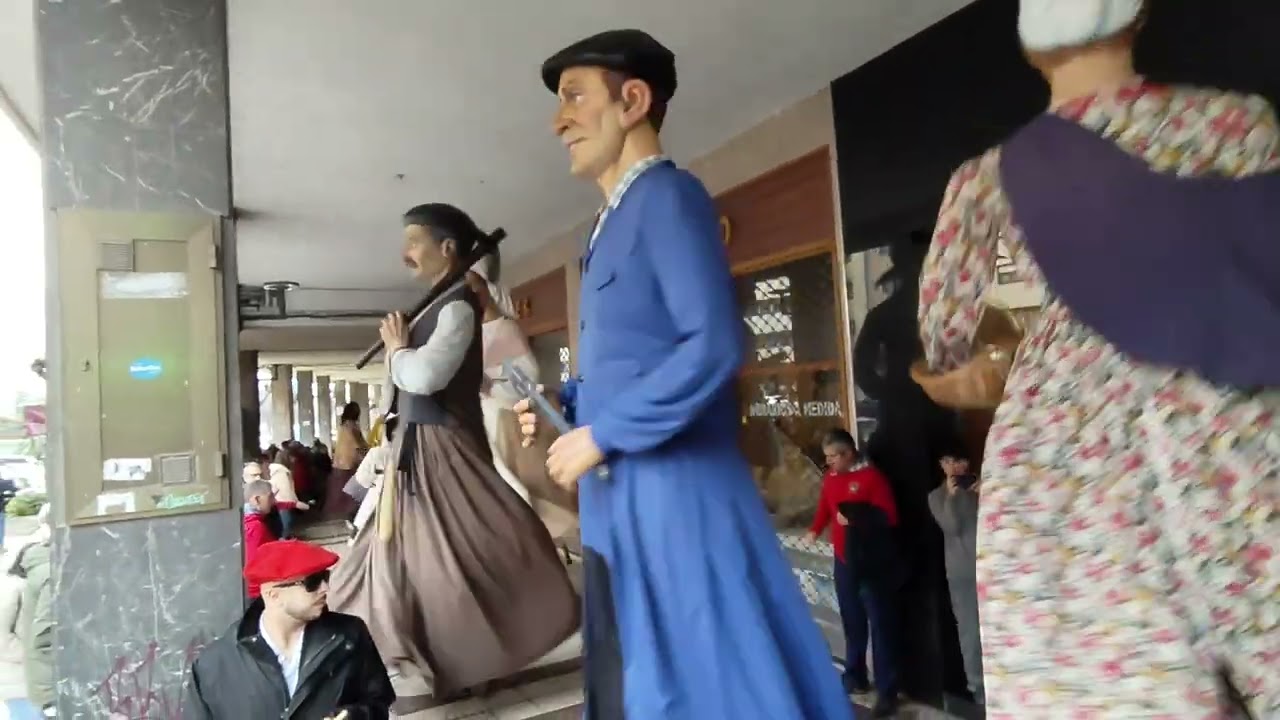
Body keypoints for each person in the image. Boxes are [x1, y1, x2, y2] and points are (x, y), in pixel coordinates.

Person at [917, 1, 1279, 716]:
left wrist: (979, 361)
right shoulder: (1239, 126)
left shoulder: (991, 182)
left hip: (1071, 476)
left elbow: (966, 338)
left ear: (1029, 50)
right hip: (1234, 440)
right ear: (1138, 17)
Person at [517, 29, 853, 719]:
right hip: (624, 496)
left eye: (575, 97)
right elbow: (637, 359)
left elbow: (714, 347)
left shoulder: (668, 198)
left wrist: (603, 432)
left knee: (706, 675)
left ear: (633, 100)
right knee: (639, 665)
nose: (559, 121)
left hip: (676, 492)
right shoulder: (605, 225)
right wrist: (567, 404)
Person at [327, 203, 578, 700]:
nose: (405, 254)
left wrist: (398, 350)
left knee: (472, 547)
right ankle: (421, 648)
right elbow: (395, 394)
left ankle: (492, 639)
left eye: (415, 242)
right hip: (412, 449)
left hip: (446, 448)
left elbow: (423, 377)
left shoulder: (459, 306)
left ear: (447, 249)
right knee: (405, 555)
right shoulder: (432, 308)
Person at [183, 540, 394, 719]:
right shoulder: (214, 665)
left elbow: (379, 701)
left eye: (325, 577)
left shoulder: (349, 636)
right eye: (312, 582)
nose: (325, 588)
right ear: (274, 596)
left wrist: (354, 715)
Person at [804, 429, 900, 716]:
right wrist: (815, 528)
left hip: (870, 563)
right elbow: (826, 506)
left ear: (848, 453)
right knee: (852, 622)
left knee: (880, 627)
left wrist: (856, 517)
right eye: (827, 457)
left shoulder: (872, 478)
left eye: (833, 456)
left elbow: (889, 517)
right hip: (843, 561)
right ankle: (855, 676)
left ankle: (887, 691)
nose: (829, 462)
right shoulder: (832, 477)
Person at [926, 455, 982, 706]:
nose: (956, 467)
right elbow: (950, 525)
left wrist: (987, 494)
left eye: (960, 461)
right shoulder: (936, 497)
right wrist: (952, 495)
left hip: (991, 568)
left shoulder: (982, 488)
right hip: (962, 574)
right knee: (970, 634)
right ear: (941, 464)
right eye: (950, 462)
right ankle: (978, 691)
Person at [327, 402, 369, 519]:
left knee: (338, 493)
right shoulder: (352, 427)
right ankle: (350, 514)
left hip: (339, 463)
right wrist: (369, 452)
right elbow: (358, 445)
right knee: (351, 492)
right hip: (349, 464)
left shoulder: (343, 426)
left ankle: (338, 516)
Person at [243, 479, 278, 599]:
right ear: (257, 499)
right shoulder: (255, 527)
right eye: (270, 497)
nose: (274, 501)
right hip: (259, 592)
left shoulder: (247, 523)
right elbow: (252, 563)